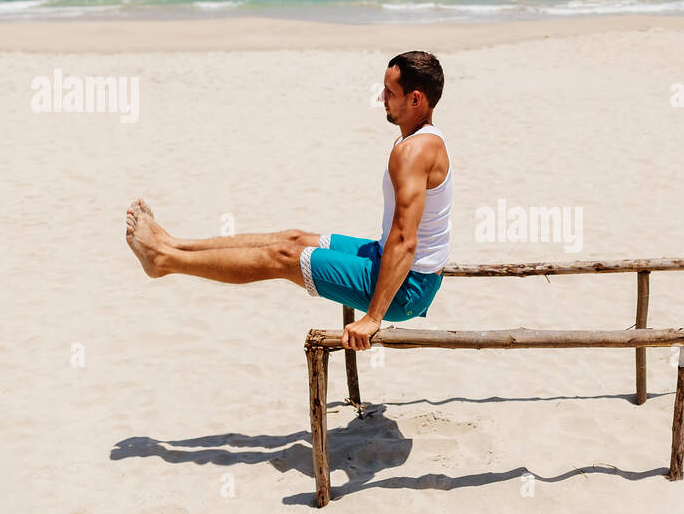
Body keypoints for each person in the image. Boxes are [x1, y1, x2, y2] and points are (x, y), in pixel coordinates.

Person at [125, 51, 452, 351]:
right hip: (394, 263)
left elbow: (405, 240)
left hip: (408, 289)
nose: (382, 98)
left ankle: (164, 261)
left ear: (415, 99)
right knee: (292, 238)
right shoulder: (416, 142)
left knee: (282, 256)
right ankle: (171, 244)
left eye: (390, 92)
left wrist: (373, 317)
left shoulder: (414, 152)